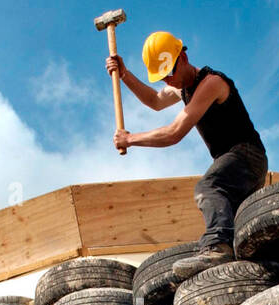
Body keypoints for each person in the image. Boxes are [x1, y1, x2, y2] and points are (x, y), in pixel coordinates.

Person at [106, 30, 267, 280]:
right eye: (162, 77)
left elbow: (174, 132)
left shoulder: (211, 83)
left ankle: (217, 247)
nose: (167, 81)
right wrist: (125, 75)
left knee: (209, 187)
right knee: (242, 226)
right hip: (232, 164)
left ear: (182, 57)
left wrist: (130, 139)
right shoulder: (180, 87)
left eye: (169, 73)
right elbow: (155, 100)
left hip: (247, 156)